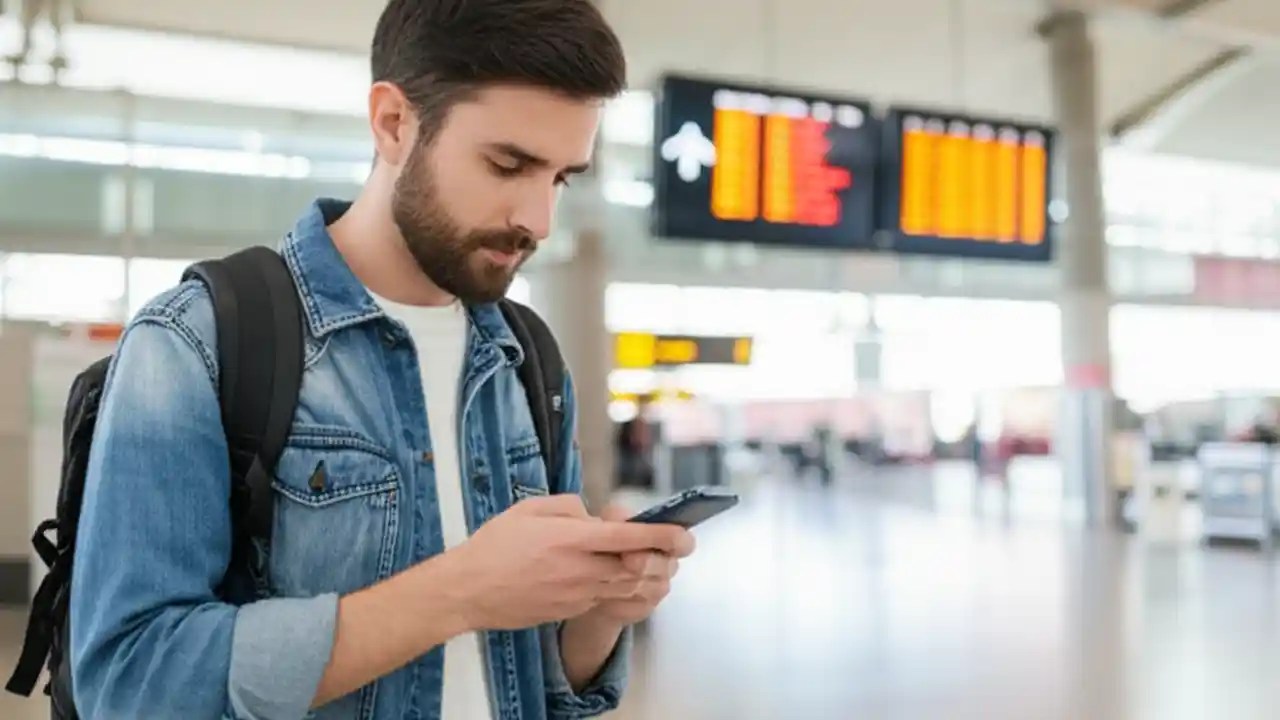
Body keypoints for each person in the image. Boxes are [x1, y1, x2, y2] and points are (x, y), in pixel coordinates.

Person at [69, 1, 695, 718]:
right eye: (507, 164)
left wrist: (602, 608)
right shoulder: (197, 344)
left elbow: (540, 685)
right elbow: (128, 684)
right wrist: (459, 590)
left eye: (560, 178)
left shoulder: (527, 362)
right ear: (394, 123)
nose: (537, 219)